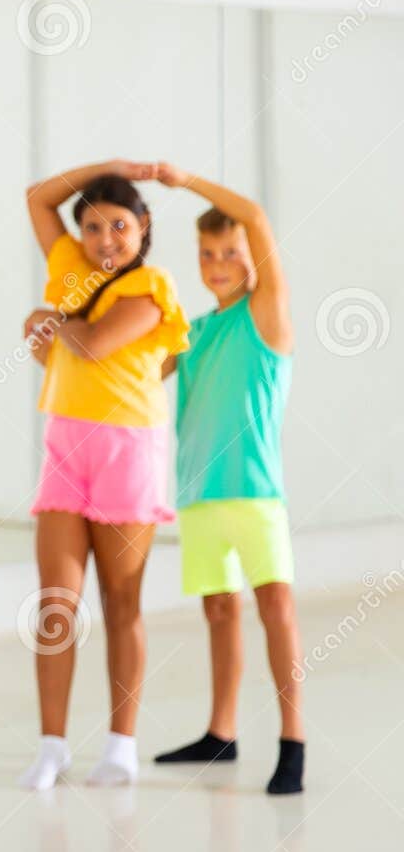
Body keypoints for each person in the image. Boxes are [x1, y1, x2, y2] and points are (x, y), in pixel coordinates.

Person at [18, 161, 189, 789]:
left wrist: (44, 321)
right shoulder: (70, 267)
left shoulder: (152, 286)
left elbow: (92, 344)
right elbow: (38, 198)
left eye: (119, 225)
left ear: (143, 227)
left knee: (122, 603)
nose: (106, 238)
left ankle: (121, 744)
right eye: (92, 226)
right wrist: (112, 168)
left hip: (128, 453)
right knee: (57, 604)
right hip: (66, 446)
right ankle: (52, 745)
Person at [151, 162, 303, 794]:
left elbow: (258, 220)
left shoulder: (265, 314)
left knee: (274, 607)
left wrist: (186, 183)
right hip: (199, 493)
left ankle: (292, 741)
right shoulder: (194, 329)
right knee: (218, 611)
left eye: (230, 253)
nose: (218, 265)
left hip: (255, 493)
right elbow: (135, 371)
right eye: (208, 254)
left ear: (250, 259)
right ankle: (222, 732)